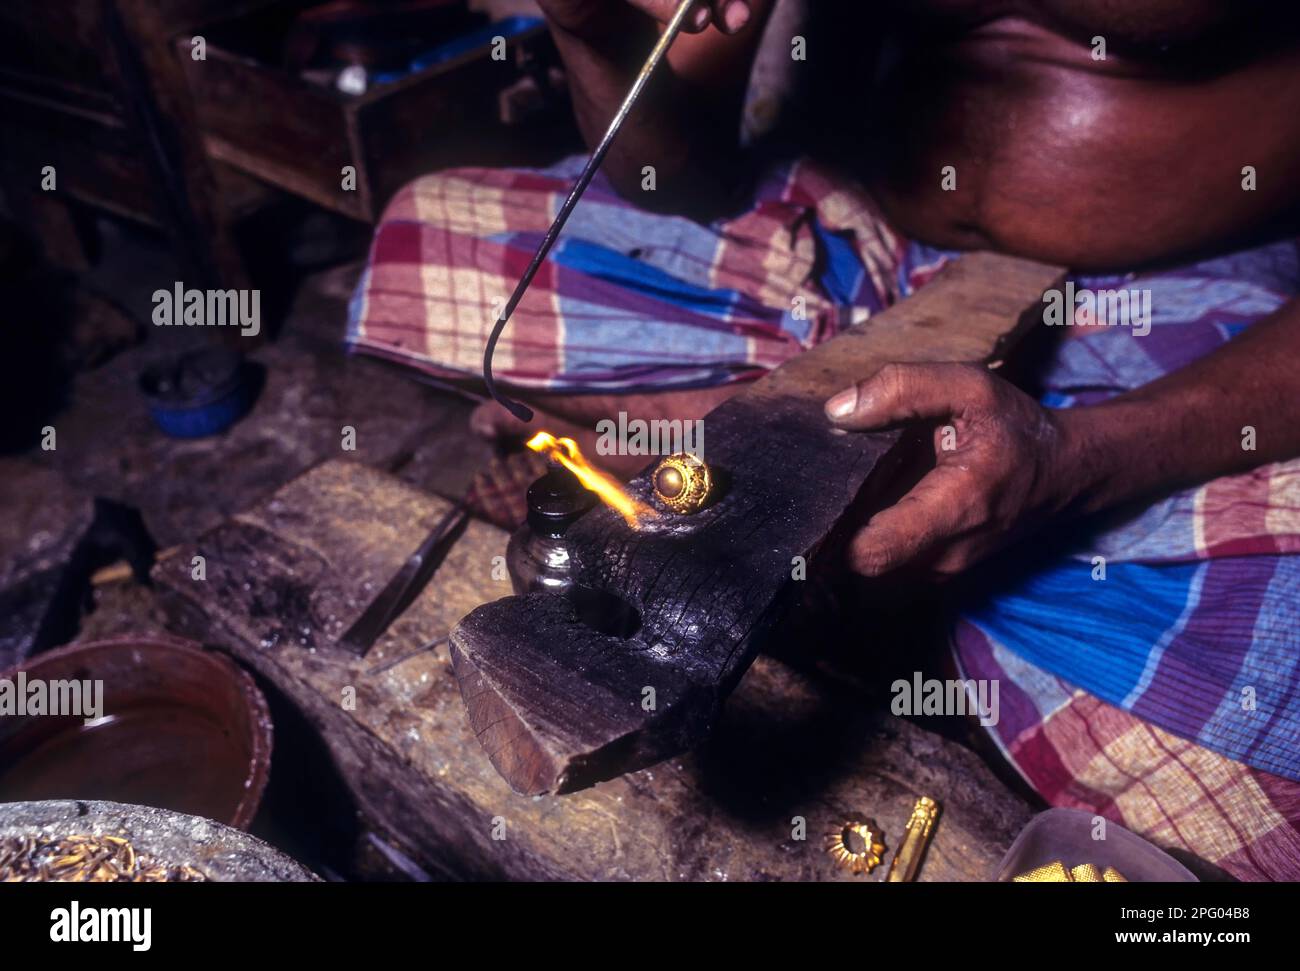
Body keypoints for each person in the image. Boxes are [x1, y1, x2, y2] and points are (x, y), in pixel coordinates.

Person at [349, 0, 1300, 879]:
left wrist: (1086, 458)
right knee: (431, 243)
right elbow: (668, 171)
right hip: (868, 239)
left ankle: (832, 484)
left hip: (1170, 298)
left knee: (1262, 748)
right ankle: (812, 446)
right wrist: (593, 25)